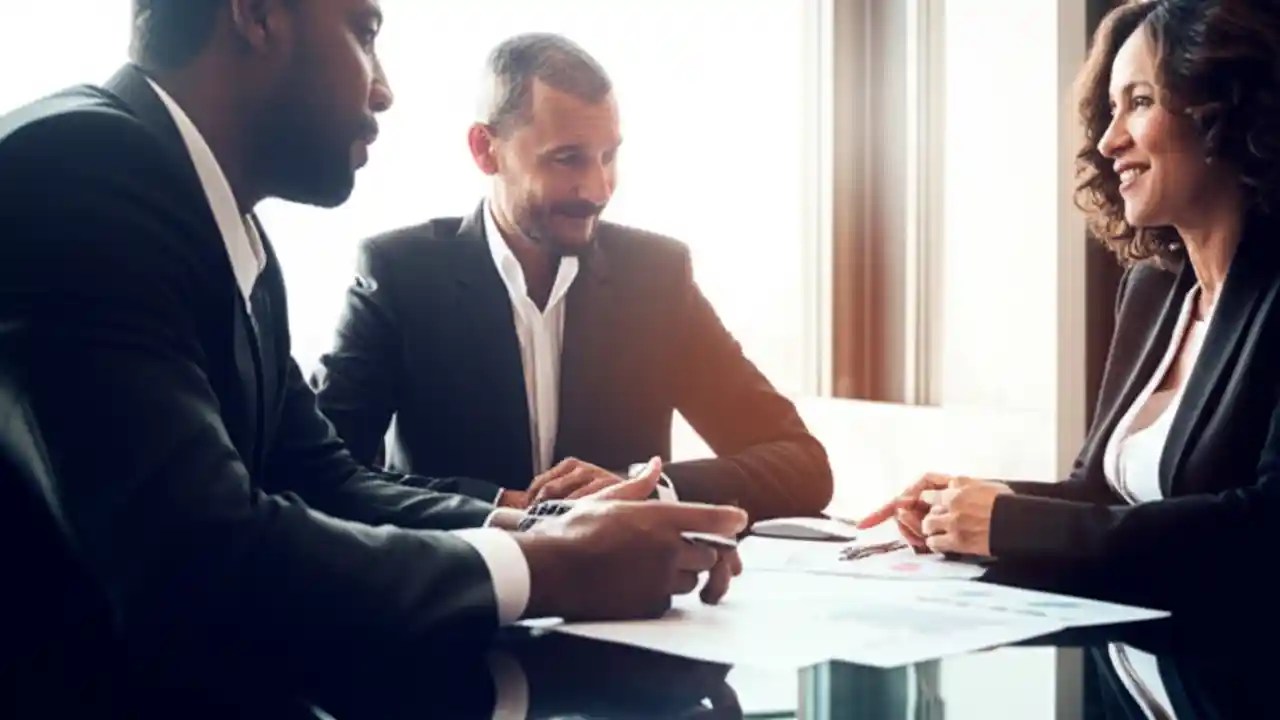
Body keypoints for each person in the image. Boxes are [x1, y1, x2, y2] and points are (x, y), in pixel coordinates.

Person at [0, 0, 747, 688]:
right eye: (364, 33)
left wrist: (552, 527)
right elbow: (195, 559)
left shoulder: (228, 229)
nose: (383, 91)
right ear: (256, 15)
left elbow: (321, 478)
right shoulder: (79, 169)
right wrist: (553, 566)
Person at [861, 1, 1280, 717]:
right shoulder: (1153, 290)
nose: (1110, 140)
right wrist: (975, 503)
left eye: (1139, 102)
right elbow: (1102, 493)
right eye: (1111, 110)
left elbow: (1264, 528)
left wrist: (1010, 523)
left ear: (1224, 110)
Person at [311, 32, 832, 522]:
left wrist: (647, 489)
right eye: (568, 160)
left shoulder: (656, 279)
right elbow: (317, 476)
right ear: (485, 149)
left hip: (622, 588)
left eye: (608, 157)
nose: (598, 189)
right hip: (464, 579)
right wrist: (500, 508)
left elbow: (802, 464)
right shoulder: (400, 275)